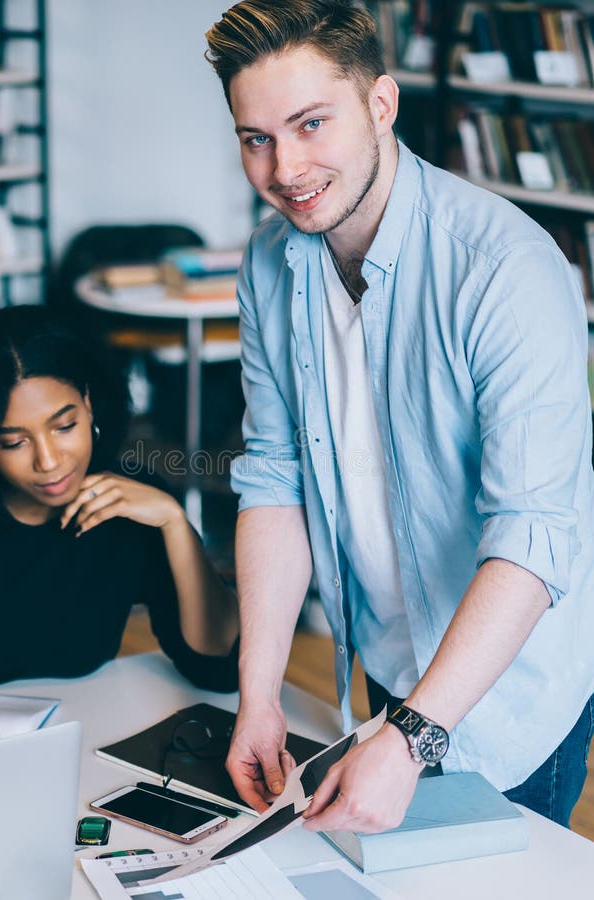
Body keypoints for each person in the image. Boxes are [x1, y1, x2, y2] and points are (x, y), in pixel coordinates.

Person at [205, 0, 594, 832]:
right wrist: (259, 694)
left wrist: (414, 733)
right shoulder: (270, 263)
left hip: (509, 686)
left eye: (311, 123)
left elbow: (529, 534)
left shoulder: (506, 271)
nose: (286, 168)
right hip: (385, 664)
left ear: (379, 104)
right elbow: (275, 478)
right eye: (256, 138)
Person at [0, 305, 239, 758]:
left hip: (79, 747)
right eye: (14, 442)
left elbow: (215, 665)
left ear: (89, 402)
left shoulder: (130, 505)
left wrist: (173, 522)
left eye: (64, 426)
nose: (49, 461)